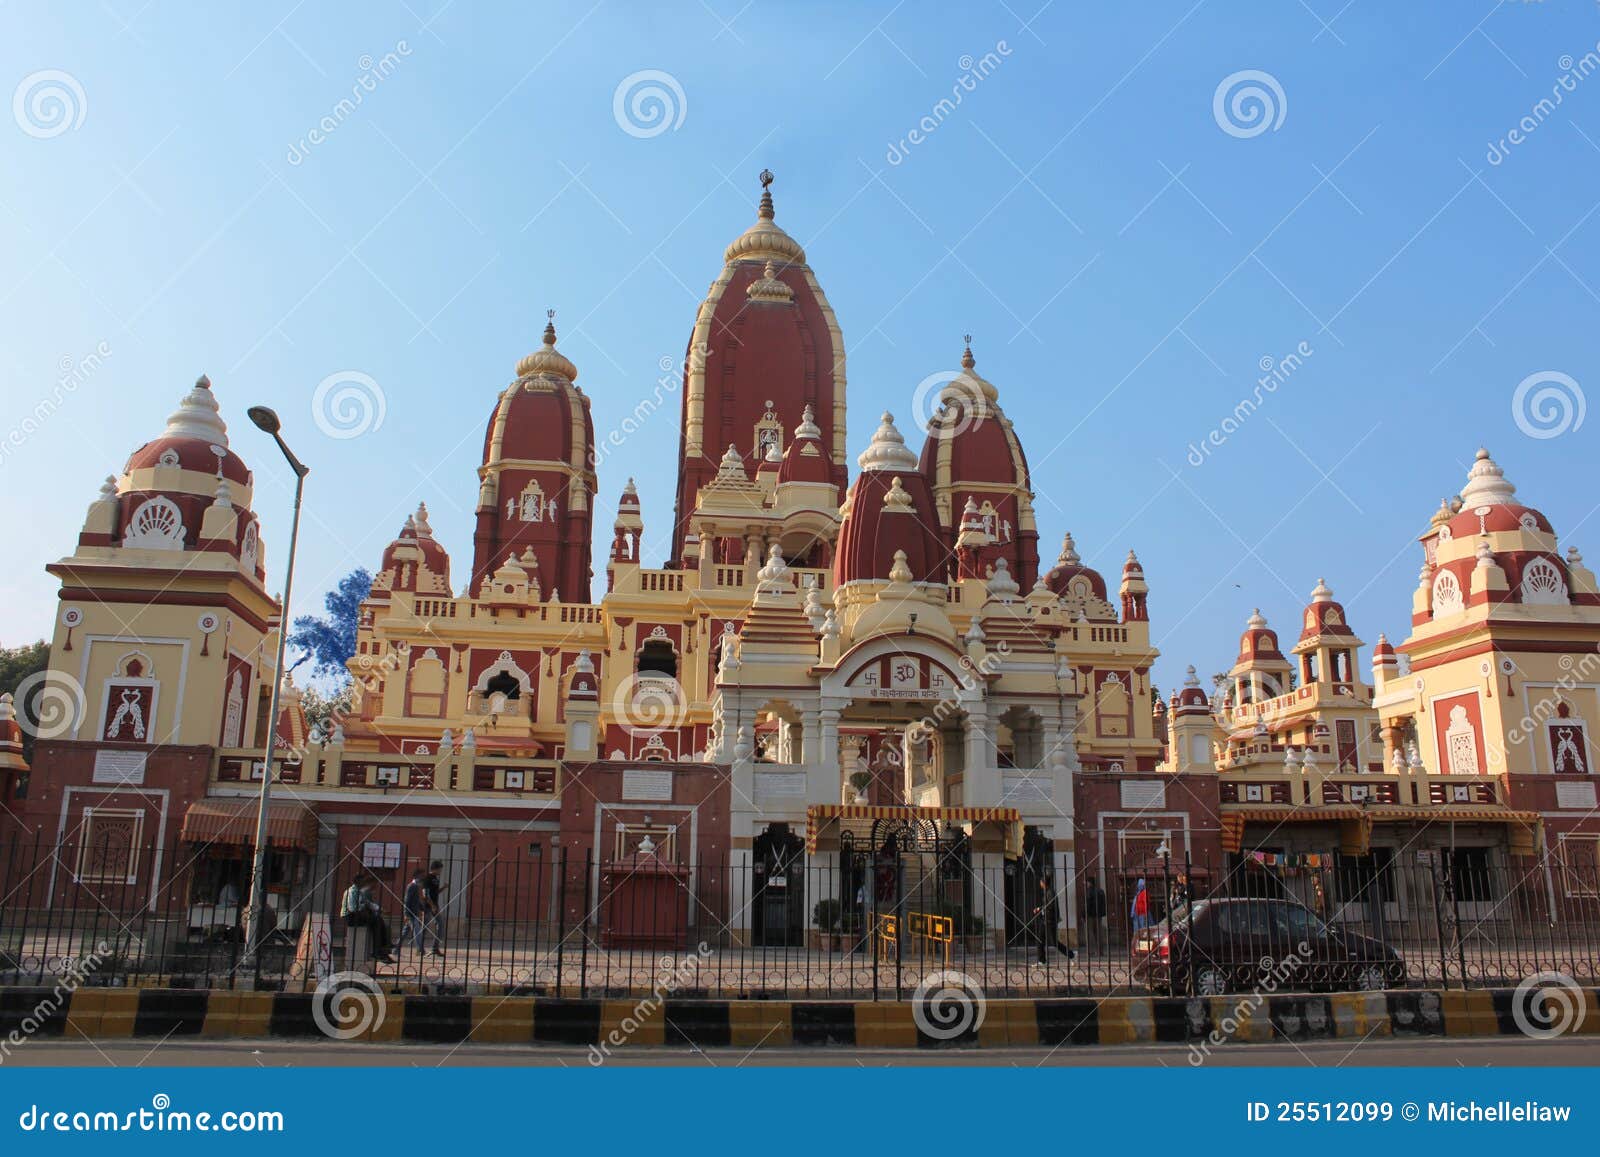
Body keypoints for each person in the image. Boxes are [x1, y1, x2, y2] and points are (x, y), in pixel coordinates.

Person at [340, 873, 394, 964]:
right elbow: (352, 908)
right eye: (363, 881)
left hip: (357, 915)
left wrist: (380, 909)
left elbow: (368, 903)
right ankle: (377, 950)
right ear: (358, 882)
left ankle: (382, 948)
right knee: (376, 921)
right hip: (350, 917)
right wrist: (363, 907)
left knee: (378, 919)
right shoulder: (352, 891)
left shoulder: (359, 891)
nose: (365, 883)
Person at [396, 867, 429, 955]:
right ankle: (420, 950)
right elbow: (407, 901)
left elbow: (417, 900)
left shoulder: (415, 887)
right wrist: (406, 914)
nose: (423, 878)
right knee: (417, 932)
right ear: (417, 876)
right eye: (421, 876)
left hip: (414, 913)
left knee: (405, 932)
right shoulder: (411, 886)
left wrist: (422, 909)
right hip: (411, 914)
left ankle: (396, 949)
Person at [423, 860, 446, 957]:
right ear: (435, 868)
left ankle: (435, 948)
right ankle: (420, 948)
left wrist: (444, 888)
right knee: (425, 927)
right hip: (428, 906)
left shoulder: (436, 879)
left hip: (435, 905)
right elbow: (425, 894)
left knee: (440, 924)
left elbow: (435, 893)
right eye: (440, 869)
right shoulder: (427, 878)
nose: (441, 871)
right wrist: (432, 905)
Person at [1083, 877, 1106, 954]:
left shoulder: (1089, 892)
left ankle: (1091, 950)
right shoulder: (1101, 891)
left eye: (1086, 882)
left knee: (1090, 933)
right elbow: (1103, 904)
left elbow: (1087, 905)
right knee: (1098, 933)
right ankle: (1100, 951)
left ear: (1089, 883)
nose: (1084, 883)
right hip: (1098, 915)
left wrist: (1083, 915)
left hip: (1090, 915)